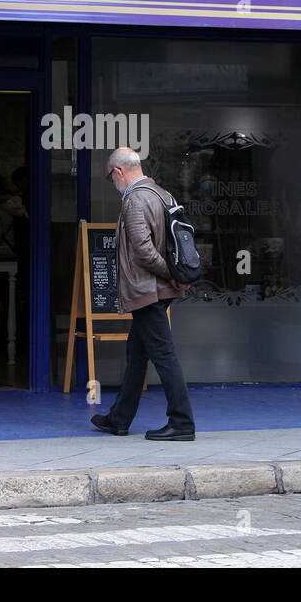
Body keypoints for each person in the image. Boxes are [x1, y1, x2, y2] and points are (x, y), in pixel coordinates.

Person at [90, 147, 195, 441]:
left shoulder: (135, 199)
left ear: (118, 172)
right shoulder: (162, 194)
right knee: (136, 355)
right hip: (158, 290)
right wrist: (176, 276)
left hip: (148, 290)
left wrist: (172, 275)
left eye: (111, 177)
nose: (113, 183)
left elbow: (144, 252)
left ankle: (182, 422)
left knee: (164, 356)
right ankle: (119, 419)